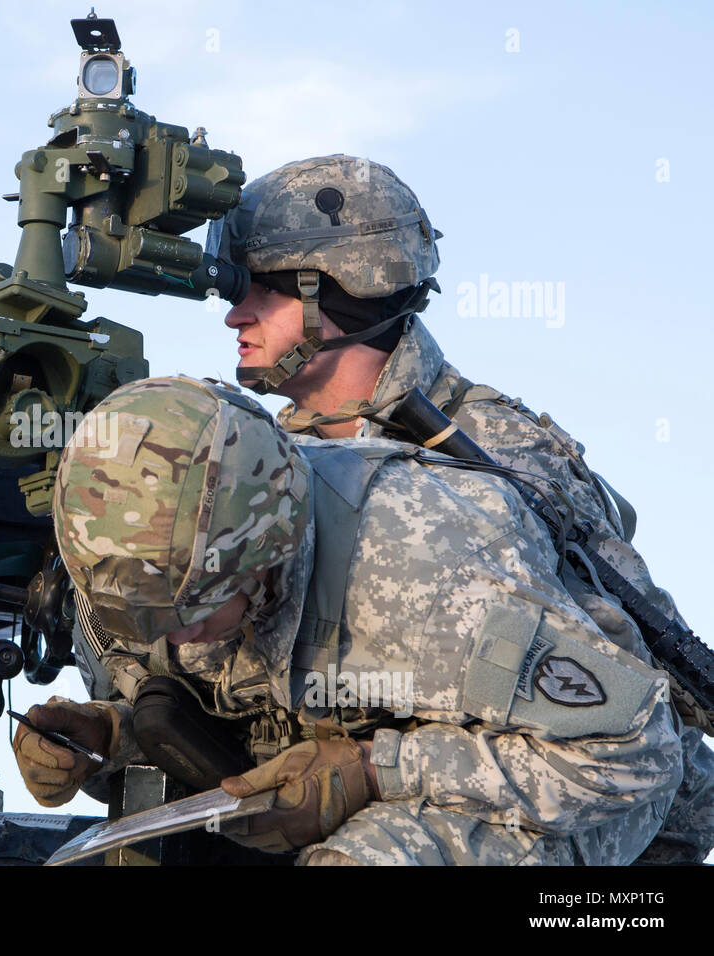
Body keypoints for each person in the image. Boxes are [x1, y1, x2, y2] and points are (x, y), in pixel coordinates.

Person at [204, 154, 714, 863]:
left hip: (567, 802)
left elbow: (629, 683)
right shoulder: (269, 463)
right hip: (360, 791)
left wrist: (381, 768)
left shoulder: (494, 454)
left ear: (341, 295)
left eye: (263, 291)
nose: (235, 313)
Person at [17, 374, 682, 865]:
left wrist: (375, 769)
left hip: (597, 795)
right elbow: (248, 696)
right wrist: (111, 737)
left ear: (264, 555)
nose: (175, 637)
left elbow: (638, 754)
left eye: (188, 613)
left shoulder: (428, 575)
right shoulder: (186, 571)